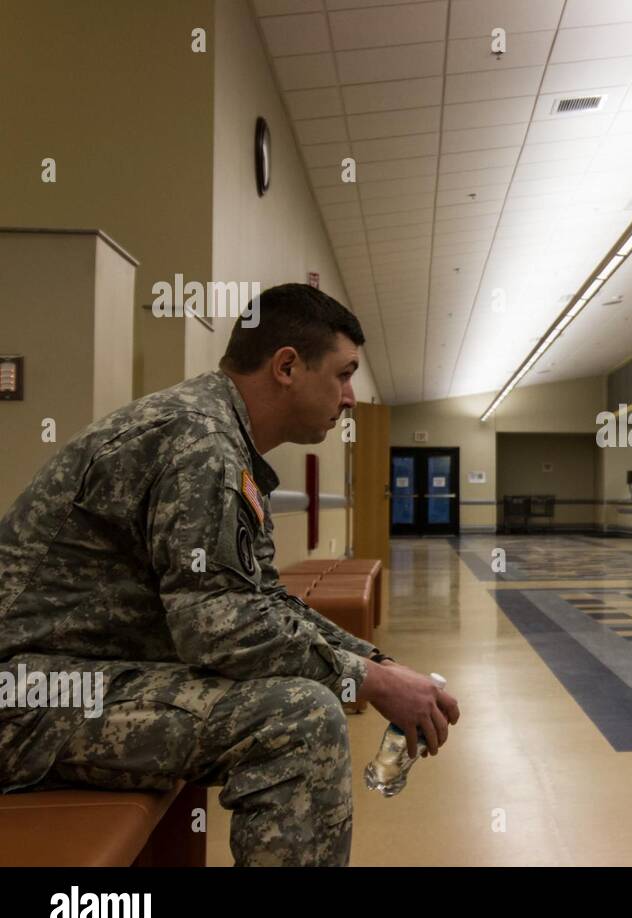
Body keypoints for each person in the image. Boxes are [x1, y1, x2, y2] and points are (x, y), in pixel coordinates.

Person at [0, 283, 459, 866]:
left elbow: (261, 600)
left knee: (308, 688)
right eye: (344, 375)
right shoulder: (200, 440)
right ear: (287, 366)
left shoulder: (219, 438)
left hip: (78, 677)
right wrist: (370, 682)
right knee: (298, 717)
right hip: (27, 698)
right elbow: (220, 630)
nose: (348, 398)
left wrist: (379, 665)